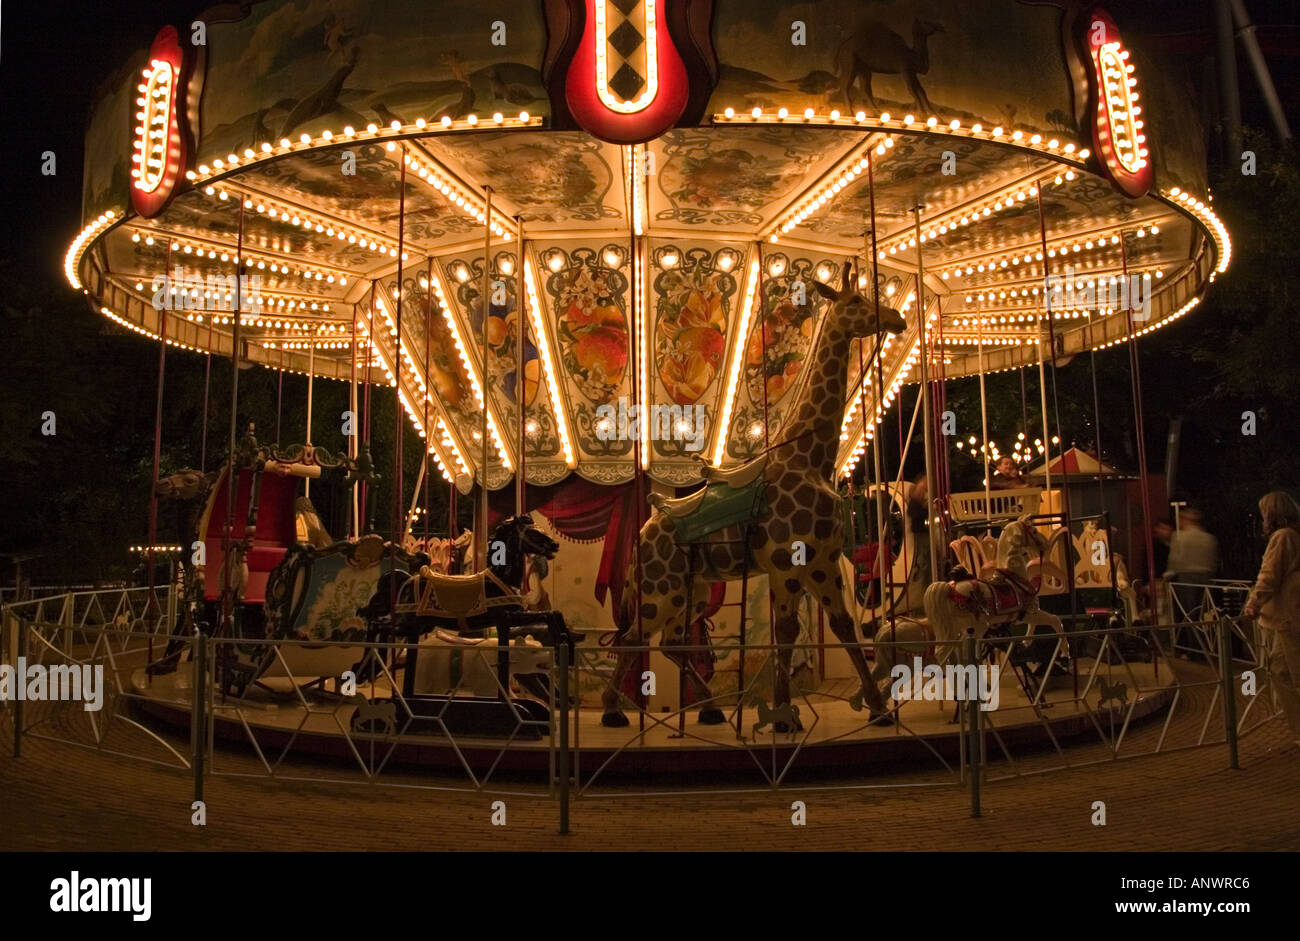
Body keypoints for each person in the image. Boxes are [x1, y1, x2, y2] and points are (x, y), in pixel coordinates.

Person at [1242, 491, 1300, 745]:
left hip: (1288, 615)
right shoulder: (1293, 535)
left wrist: (1254, 603)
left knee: (1292, 672)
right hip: (1288, 614)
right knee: (1279, 669)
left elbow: (1270, 574)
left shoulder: (1283, 537)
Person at [1163, 509, 1218, 621]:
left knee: (1189, 613)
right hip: (1206, 577)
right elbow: (1213, 560)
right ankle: (1207, 637)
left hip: (1187, 578)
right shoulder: (1208, 538)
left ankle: (1193, 637)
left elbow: (1176, 560)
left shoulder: (1180, 537)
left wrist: (1170, 574)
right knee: (1205, 612)